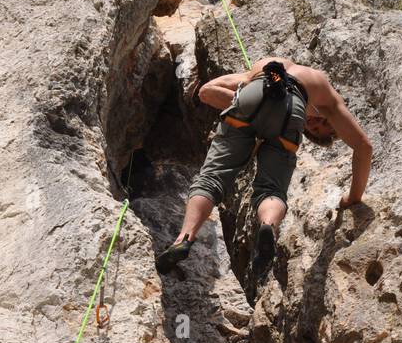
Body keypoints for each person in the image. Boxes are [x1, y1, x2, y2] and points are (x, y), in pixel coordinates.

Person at [155, 56, 373, 278]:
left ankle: (184, 239)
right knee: (272, 190)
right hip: (290, 115)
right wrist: (354, 197)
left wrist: (249, 108)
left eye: (317, 129)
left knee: (212, 178)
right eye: (323, 123)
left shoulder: (269, 62)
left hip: (255, 93)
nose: (316, 124)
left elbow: (207, 91)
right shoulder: (322, 87)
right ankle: (268, 225)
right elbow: (363, 146)